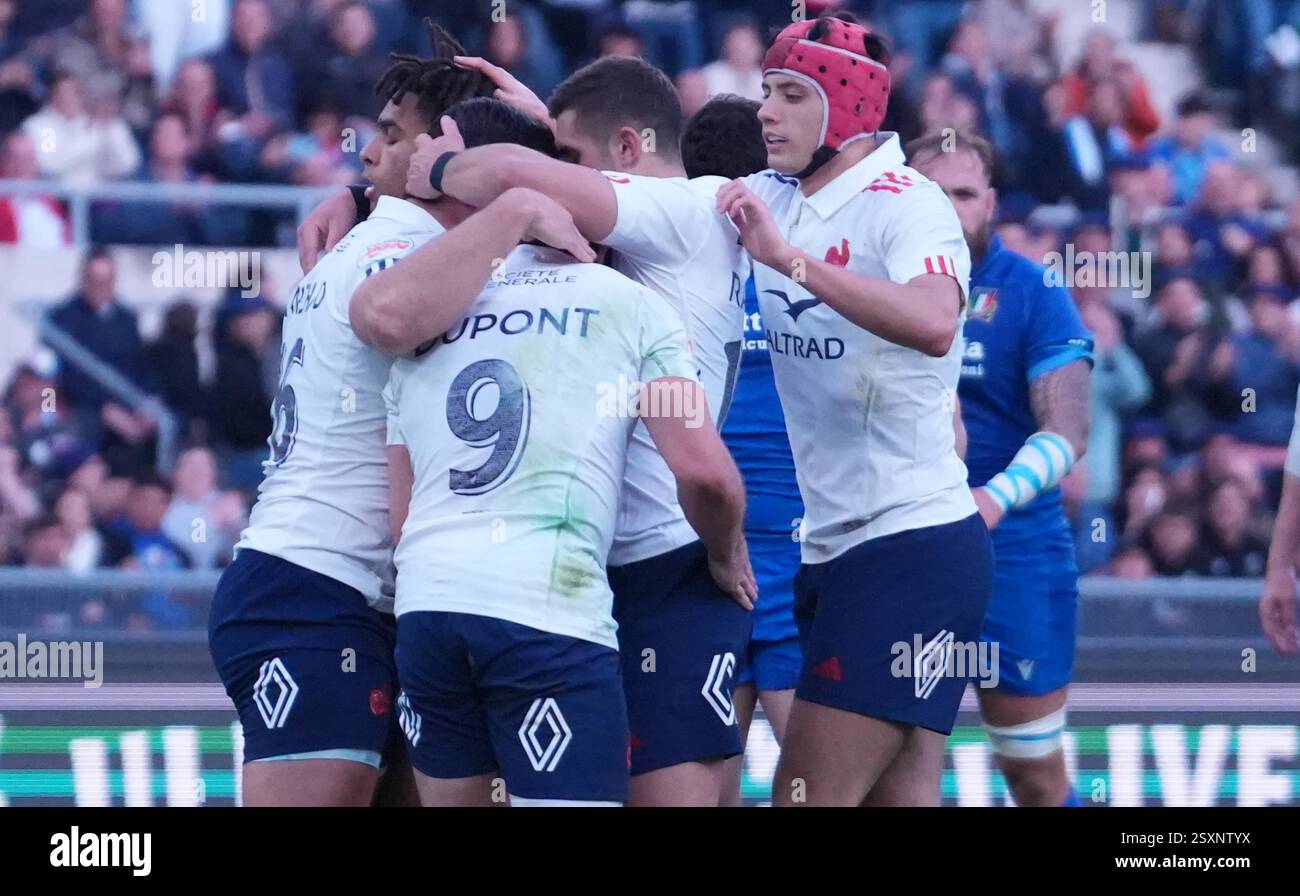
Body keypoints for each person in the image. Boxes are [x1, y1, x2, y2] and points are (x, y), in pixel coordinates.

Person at [300, 52, 755, 807]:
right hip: (574, 572)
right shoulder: (540, 273)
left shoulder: (684, 216)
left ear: (629, 152)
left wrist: (434, 173)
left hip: (664, 564)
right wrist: (367, 192)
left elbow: (515, 171)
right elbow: (527, 168)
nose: (550, 180)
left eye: (567, 160)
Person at [208, 23, 571, 808]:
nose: (367, 156)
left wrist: (523, 144)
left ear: (446, 148)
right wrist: (518, 188)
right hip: (314, 591)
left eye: (392, 137)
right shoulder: (400, 249)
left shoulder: (391, 237)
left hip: (359, 595)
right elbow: (401, 311)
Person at [382, 175, 753, 808]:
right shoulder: (633, 306)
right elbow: (704, 473)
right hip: (547, 616)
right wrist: (725, 550)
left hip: (428, 609)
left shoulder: (429, 316)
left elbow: (400, 518)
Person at [716, 13, 992, 806]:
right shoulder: (766, 197)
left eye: (790, 93)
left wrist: (792, 262)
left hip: (909, 552)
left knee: (801, 795)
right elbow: (620, 191)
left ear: (848, 109)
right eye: (765, 90)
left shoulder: (910, 202)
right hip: (840, 554)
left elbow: (936, 320)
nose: (765, 110)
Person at [910, 129, 1094, 807]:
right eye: (934, 192)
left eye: (964, 194)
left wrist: (991, 499)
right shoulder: (870, 281)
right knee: (899, 772)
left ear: (988, 202)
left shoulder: (1033, 290)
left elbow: (1070, 429)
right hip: (902, 548)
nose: (951, 208)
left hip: (1013, 547)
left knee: (1033, 773)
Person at [679, 94, 804, 806]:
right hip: (790, 547)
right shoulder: (804, 264)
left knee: (705, 785)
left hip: (706, 548)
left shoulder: (661, 267)